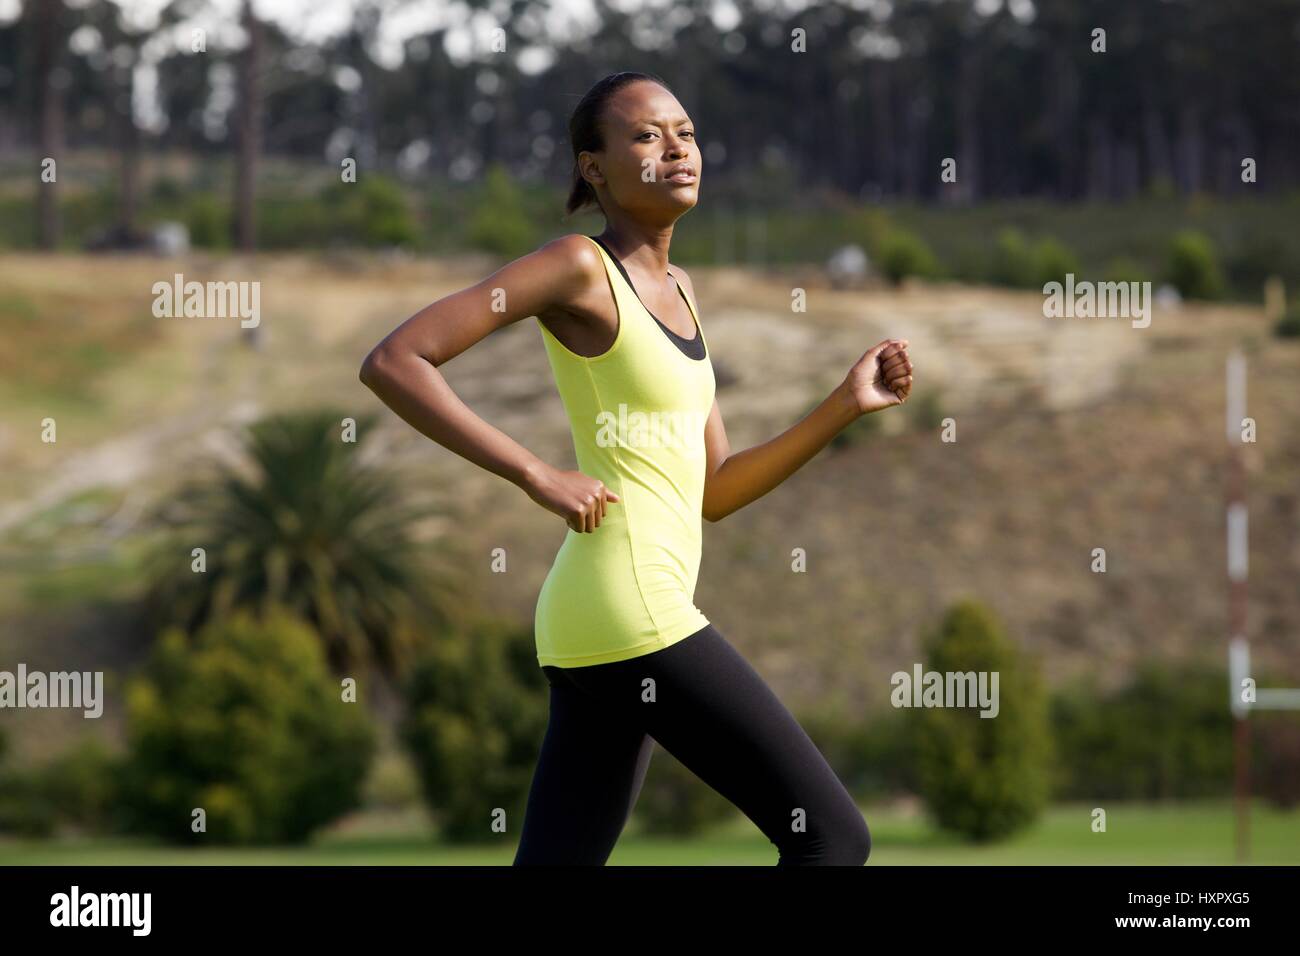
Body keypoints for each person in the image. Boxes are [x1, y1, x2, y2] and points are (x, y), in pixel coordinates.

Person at [359, 71, 913, 865]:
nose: (675, 148)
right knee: (830, 838)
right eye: (647, 135)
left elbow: (715, 491)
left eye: (684, 131)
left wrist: (844, 405)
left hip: (595, 620)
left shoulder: (681, 291)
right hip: (631, 608)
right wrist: (534, 473)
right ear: (594, 167)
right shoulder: (579, 266)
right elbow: (396, 359)